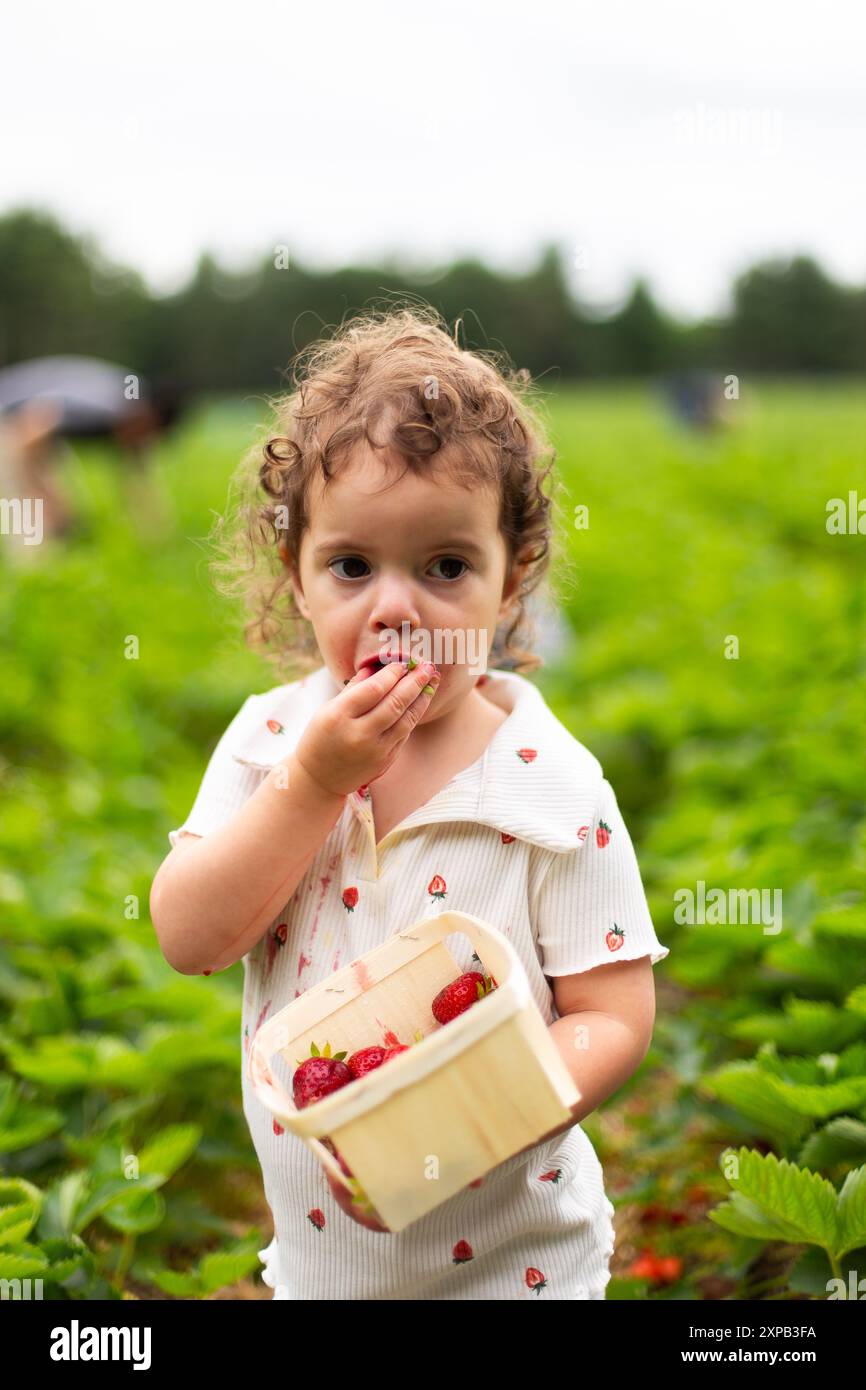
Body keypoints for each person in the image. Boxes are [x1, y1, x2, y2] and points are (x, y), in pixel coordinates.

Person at [149, 305, 670, 1300]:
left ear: (510, 579)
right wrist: (313, 784)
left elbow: (612, 1013)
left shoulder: (550, 786)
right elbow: (190, 934)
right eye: (351, 566)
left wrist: (464, 1126)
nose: (394, 608)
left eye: (443, 567)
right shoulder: (268, 748)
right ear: (296, 578)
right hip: (318, 1266)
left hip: (519, 1268)